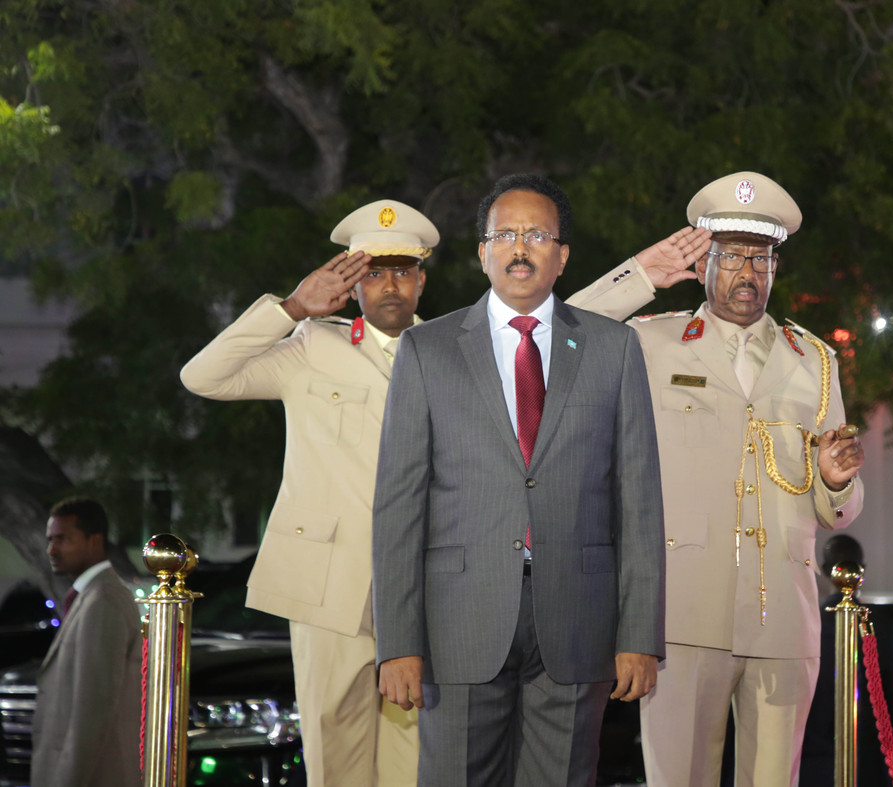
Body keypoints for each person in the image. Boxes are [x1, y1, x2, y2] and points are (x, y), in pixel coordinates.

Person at [568, 171, 866, 785]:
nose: (746, 272)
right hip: (681, 615)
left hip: (782, 616)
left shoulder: (814, 360)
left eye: (760, 257)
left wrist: (836, 483)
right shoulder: (652, 343)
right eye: (730, 256)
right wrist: (641, 276)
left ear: (775, 267)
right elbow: (556, 341)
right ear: (704, 262)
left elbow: (837, 507)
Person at [372, 173, 665, 785]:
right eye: (504, 234)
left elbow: (637, 501)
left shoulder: (614, 350)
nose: (520, 247)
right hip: (459, 623)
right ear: (482, 252)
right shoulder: (428, 350)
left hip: (576, 622)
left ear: (562, 256)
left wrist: (639, 633)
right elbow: (398, 507)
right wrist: (398, 642)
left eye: (537, 234)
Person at [180, 199, 437, 786]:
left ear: (422, 280)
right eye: (373, 273)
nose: (390, 286)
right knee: (335, 753)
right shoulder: (310, 346)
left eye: (402, 272)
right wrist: (292, 307)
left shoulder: (452, 352)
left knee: (416, 760)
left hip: (424, 585)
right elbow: (202, 377)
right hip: (330, 588)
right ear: (352, 283)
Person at [32, 497, 142, 787]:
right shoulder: (90, 596)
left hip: (97, 774)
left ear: (94, 540)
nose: (51, 550)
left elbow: (93, 708)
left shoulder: (103, 600)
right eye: (50, 540)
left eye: (63, 539)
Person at [799, 535, 893, 787]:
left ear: (824, 570)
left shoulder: (806, 624)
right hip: (868, 753)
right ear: (862, 570)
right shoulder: (881, 626)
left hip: (815, 758)